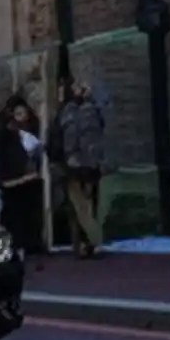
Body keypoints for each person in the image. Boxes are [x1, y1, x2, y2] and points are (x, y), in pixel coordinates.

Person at [0, 95, 45, 258]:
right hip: (14, 179)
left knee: (24, 213)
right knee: (14, 214)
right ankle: (16, 245)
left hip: (25, 178)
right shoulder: (6, 133)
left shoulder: (28, 129)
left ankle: (25, 244)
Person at [57, 78, 105, 258]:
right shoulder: (89, 111)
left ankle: (89, 242)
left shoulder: (70, 112)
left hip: (79, 164)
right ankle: (88, 242)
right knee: (84, 206)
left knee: (82, 207)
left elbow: (67, 138)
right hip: (86, 164)